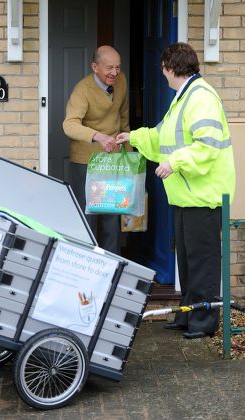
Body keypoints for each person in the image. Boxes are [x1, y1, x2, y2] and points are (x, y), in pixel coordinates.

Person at [116, 42, 236, 339]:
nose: (162, 73)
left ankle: (204, 322)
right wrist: (132, 136)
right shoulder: (184, 97)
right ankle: (189, 315)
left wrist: (174, 162)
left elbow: (206, 146)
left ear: (170, 68)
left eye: (163, 68)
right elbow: (162, 135)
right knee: (187, 261)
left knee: (202, 261)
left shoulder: (201, 98)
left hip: (203, 196)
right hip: (187, 195)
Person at [63, 45, 130, 254]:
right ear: (95, 67)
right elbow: (69, 125)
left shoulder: (122, 81)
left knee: (112, 216)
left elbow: (124, 117)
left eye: (118, 67)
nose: (114, 73)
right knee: (88, 216)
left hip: (113, 159)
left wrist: (128, 153)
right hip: (87, 161)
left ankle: (113, 265)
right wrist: (98, 137)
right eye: (109, 68)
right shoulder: (82, 90)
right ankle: (87, 264)